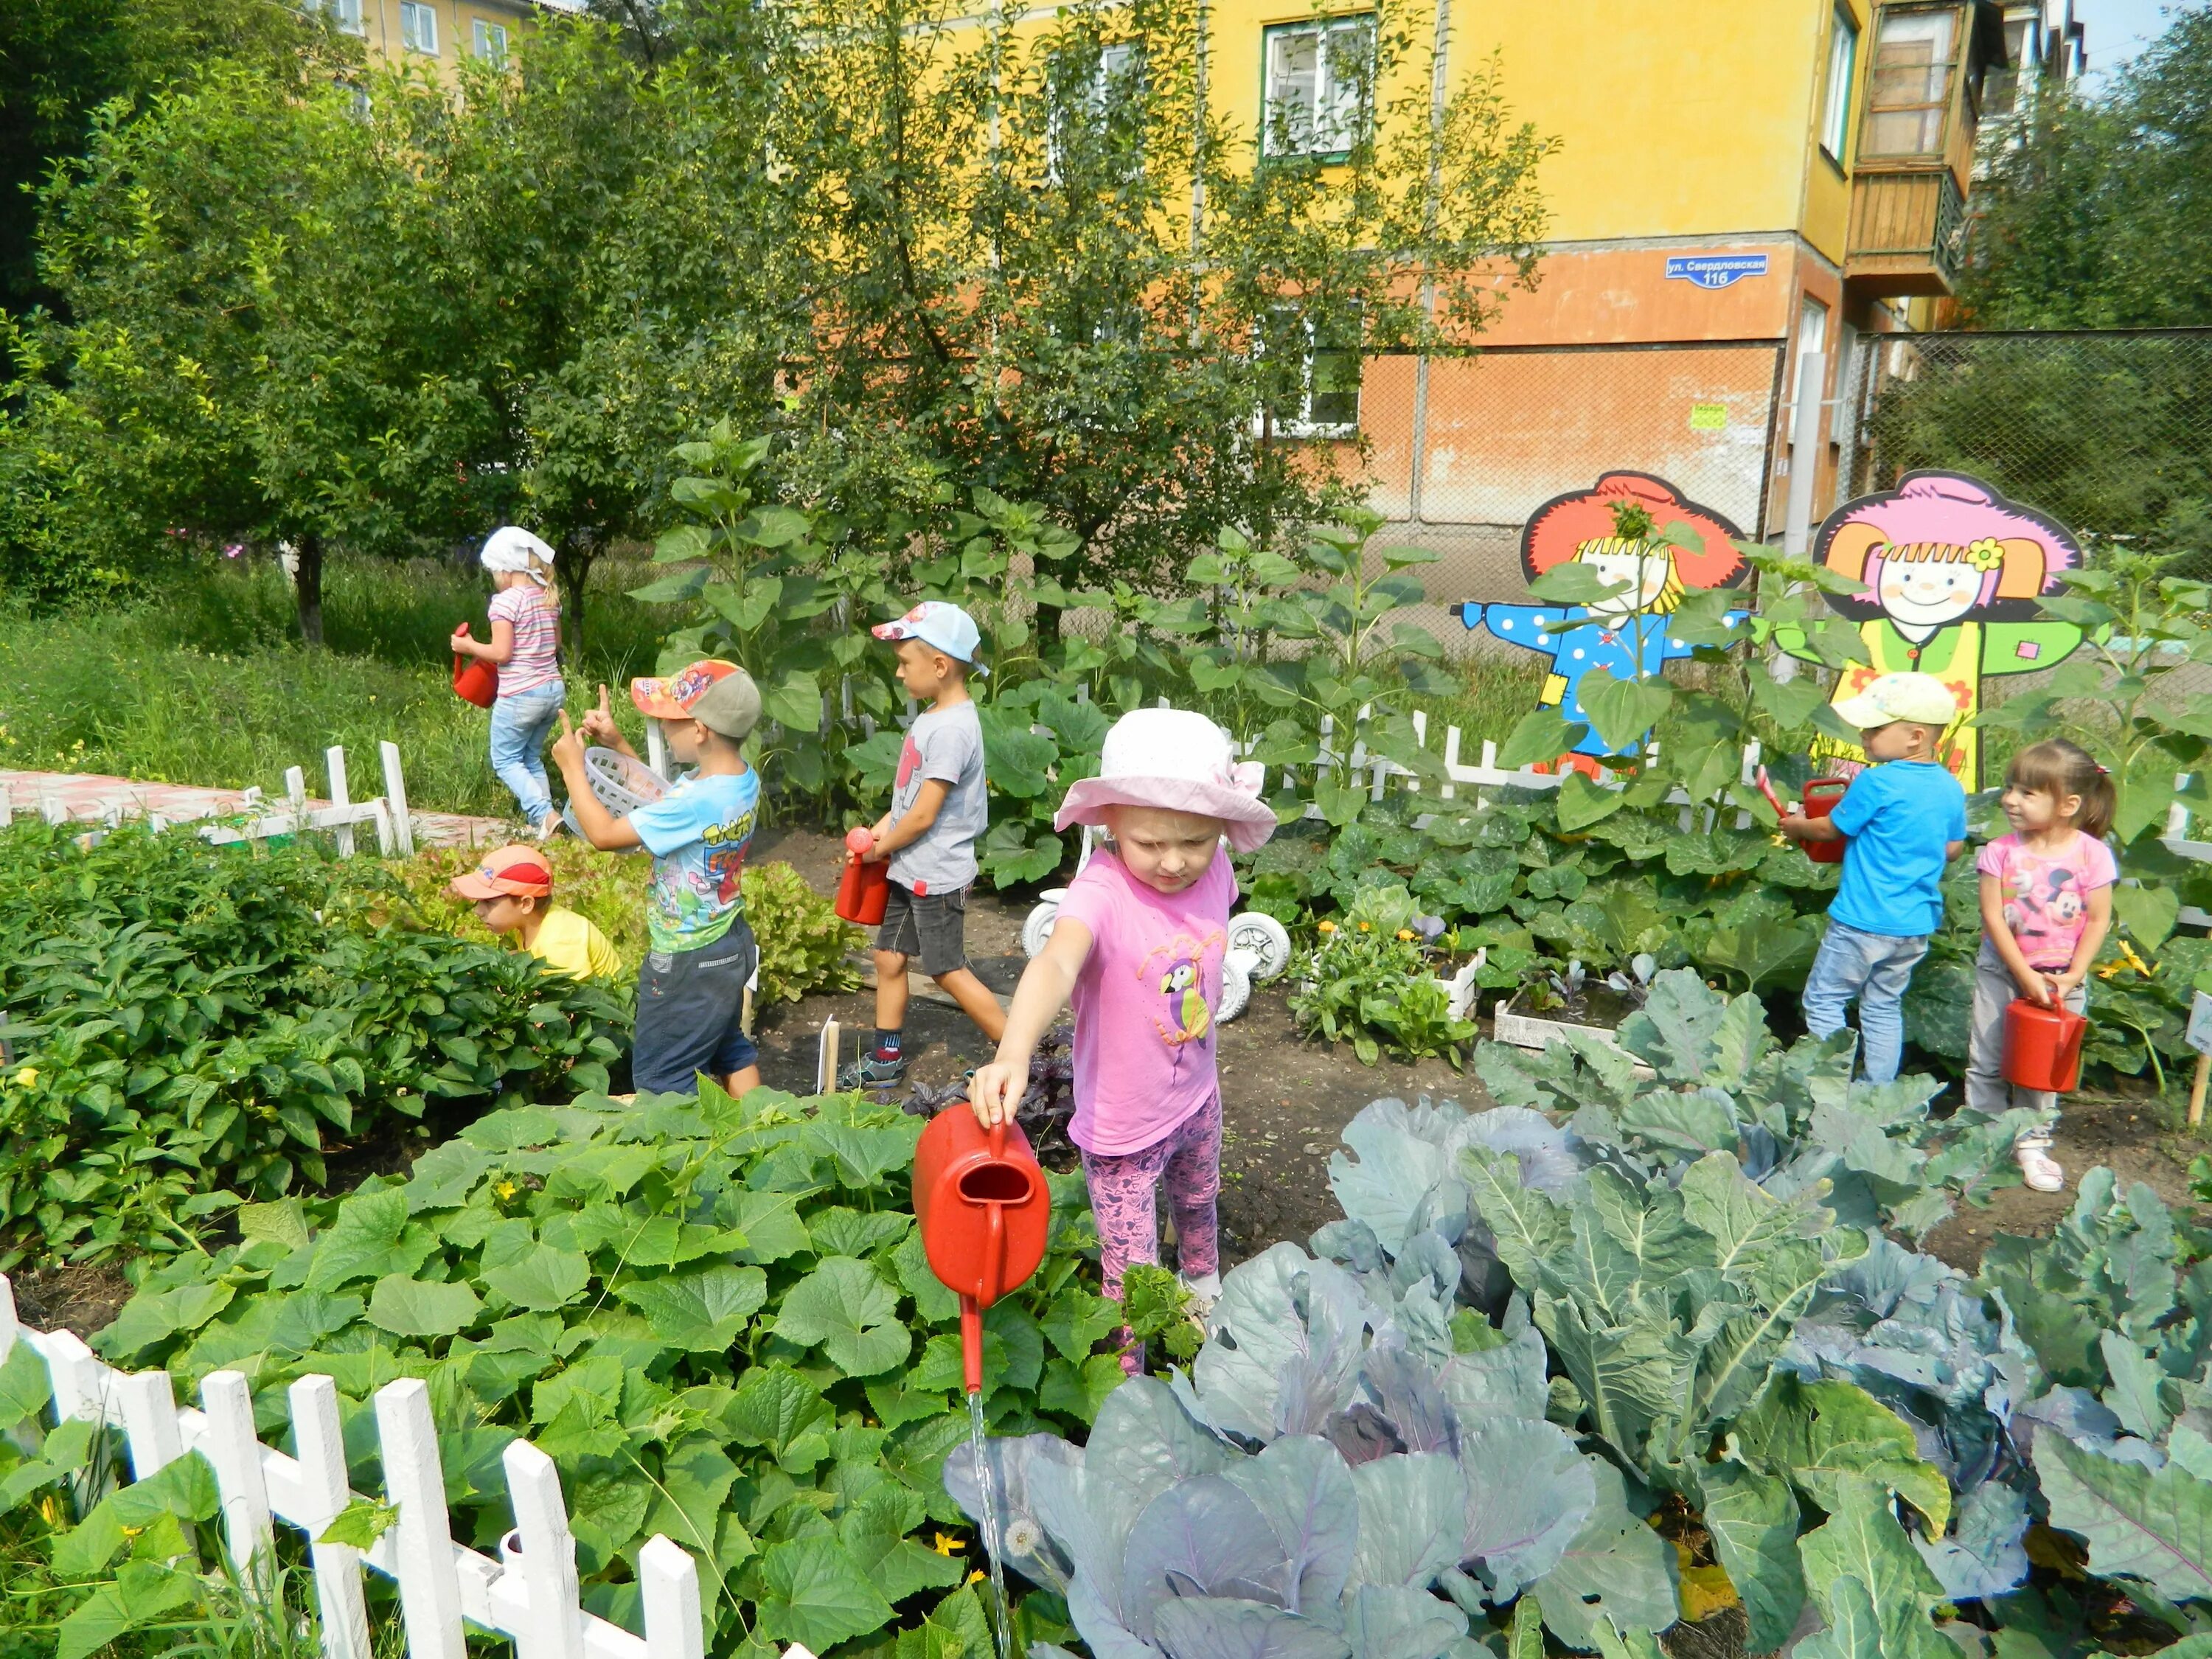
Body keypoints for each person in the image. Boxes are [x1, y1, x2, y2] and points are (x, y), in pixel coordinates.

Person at [968, 708, 1277, 1371]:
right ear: (1113, 824)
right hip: (1124, 1126)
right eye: (1151, 843)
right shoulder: (1102, 892)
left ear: (1221, 830)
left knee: (1198, 1199)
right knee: (1130, 1269)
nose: (1173, 862)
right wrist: (1013, 1051)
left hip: (1198, 1092)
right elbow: (1054, 962)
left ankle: (1202, 1290)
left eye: (1194, 842)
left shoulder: (1215, 873)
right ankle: (1127, 1384)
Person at [549, 660, 762, 1098]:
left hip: (687, 957)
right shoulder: (738, 780)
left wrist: (573, 768)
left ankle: (685, 1160)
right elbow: (664, 803)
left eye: (668, 719)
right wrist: (617, 742)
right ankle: (758, 1131)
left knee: (664, 1077)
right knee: (727, 1048)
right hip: (729, 941)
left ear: (700, 730)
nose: (662, 727)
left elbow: (605, 836)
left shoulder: (697, 801)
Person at [842, 602, 1004, 1088]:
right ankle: (886, 1058)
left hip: (936, 873)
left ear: (939, 666)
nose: (898, 671)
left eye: (905, 662)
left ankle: (1025, 1055)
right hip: (908, 866)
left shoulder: (954, 729)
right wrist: (879, 830)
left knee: (946, 970)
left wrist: (879, 846)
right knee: (889, 959)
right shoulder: (935, 718)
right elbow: (909, 797)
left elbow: (925, 815)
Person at [1780, 671, 1967, 1082]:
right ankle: (1878, 1091)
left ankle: (1836, 1084)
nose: (1864, 735)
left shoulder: (1876, 781)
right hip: (1914, 924)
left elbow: (1831, 829)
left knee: (1824, 1000)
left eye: (1875, 728)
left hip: (1862, 920)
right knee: (1882, 1004)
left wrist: (1796, 825)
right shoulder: (1950, 788)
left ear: (1916, 736)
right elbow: (1953, 849)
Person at [1965, 740, 2116, 1193]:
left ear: (2069, 804)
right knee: (1986, 1058)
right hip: (2002, 969)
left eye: (2028, 793)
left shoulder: (2092, 855)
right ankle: (1982, 1140)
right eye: (2011, 788)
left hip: (2060, 976)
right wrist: (2024, 975)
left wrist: (2073, 975)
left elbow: (2098, 918)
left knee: (2040, 1066)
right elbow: (1993, 917)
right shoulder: (1999, 851)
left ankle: (2032, 1143)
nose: (2010, 799)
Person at [453, 527, 567, 838]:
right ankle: (546, 827)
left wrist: (468, 647)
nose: (495, 578)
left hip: (521, 694)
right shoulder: (548, 597)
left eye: (494, 572)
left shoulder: (505, 602)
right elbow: (555, 645)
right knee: (530, 757)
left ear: (505, 569)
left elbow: (501, 653)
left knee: (505, 759)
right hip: (552, 691)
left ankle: (543, 815)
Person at [448, 844, 622, 981]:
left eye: (489, 902)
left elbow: (570, 1006)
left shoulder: (560, 940)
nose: (478, 911)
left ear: (526, 904)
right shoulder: (530, 923)